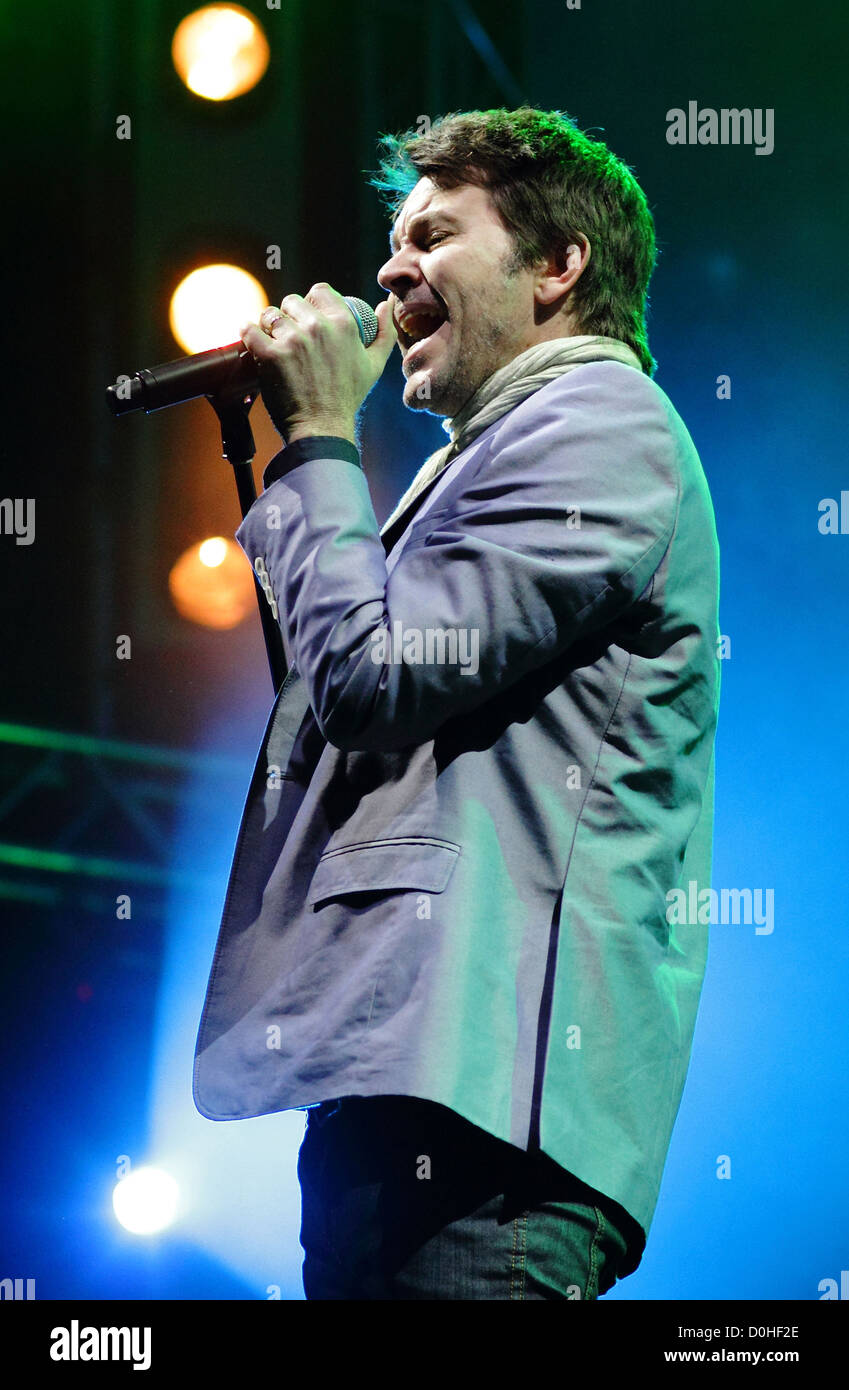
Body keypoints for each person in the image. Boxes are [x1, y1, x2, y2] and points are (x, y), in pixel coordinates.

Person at [192, 106, 720, 1300]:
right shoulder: (486, 454)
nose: (390, 267)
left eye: (433, 233)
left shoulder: (602, 426)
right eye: (393, 238)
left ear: (557, 264)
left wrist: (321, 434)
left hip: (489, 1126)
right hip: (406, 1091)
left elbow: (376, 678)